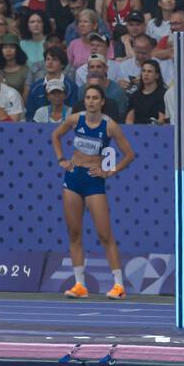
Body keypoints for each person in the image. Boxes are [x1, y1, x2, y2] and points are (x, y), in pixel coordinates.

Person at [50, 84, 137, 300]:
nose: (90, 101)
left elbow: (129, 154)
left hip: (93, 181)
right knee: (74, 232)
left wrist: (109, 172)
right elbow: (55, 136)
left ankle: (118, 285)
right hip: (73, 178)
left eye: (95, 98)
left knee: (104, 234)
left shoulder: (110, 126)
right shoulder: (74, 119)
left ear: (102, 101)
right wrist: (61, 159)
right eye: (88, 97)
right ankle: (80, 284)